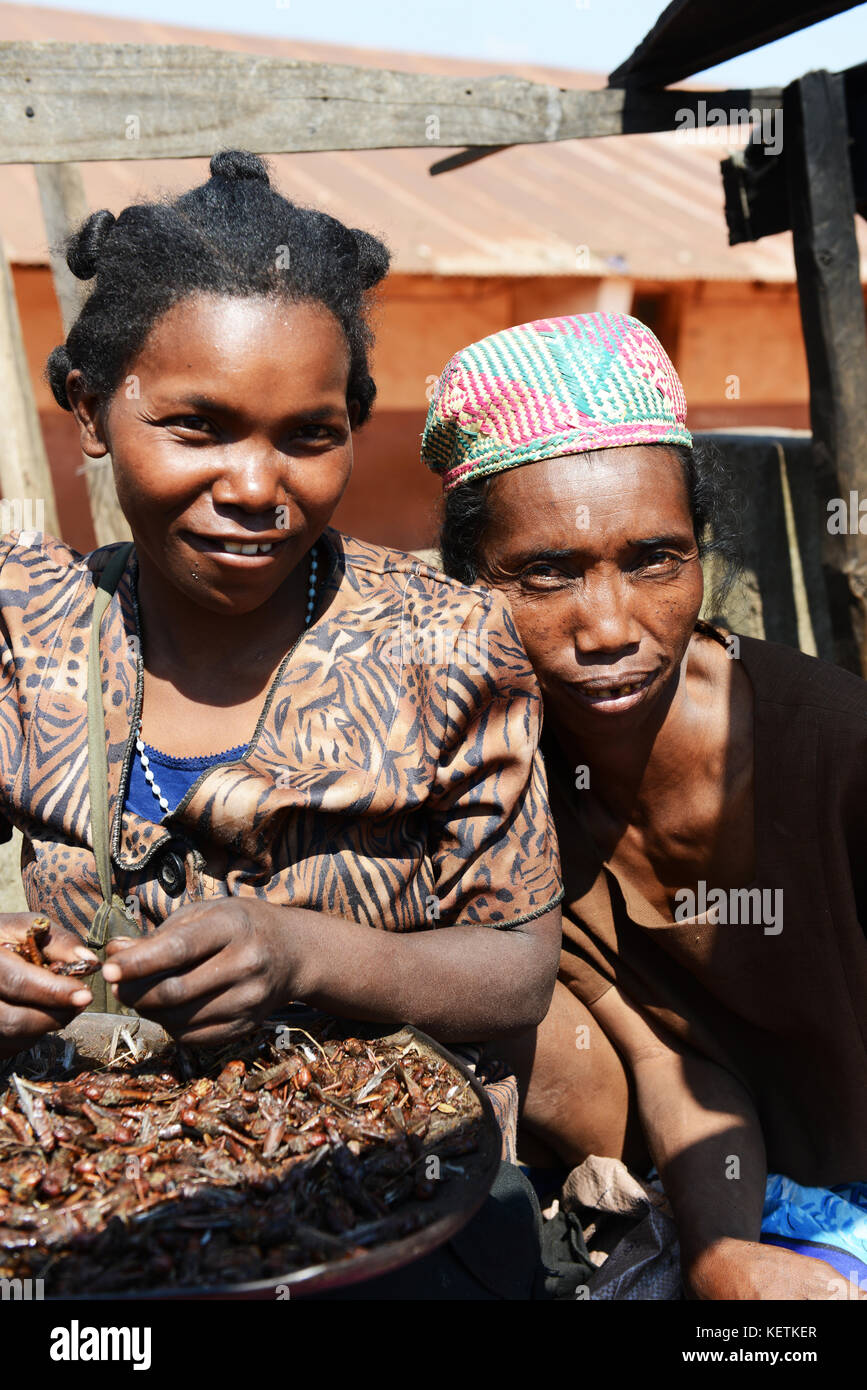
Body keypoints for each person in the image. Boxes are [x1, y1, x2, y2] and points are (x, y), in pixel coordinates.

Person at [0, 152, 564, 1297]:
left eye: (308, 434)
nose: (257, 484)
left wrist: (305, 949)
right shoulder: (32, 626)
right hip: (96, 1182)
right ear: (94, 417)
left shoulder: (442, 646)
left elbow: (518, 970)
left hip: (390, 1191)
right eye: (197, 426)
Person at [423, 311, 867, 1300]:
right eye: (547, 572)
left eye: (655, 559)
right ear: (468, 582)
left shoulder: (838, 755)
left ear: (702, 552)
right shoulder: (499, 793)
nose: (613, 626)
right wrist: (722, 1252)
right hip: (724, 1180)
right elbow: (672, 1056)